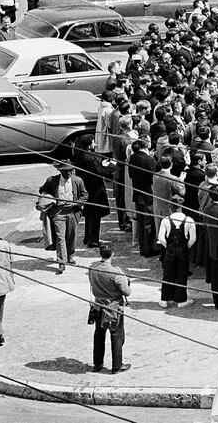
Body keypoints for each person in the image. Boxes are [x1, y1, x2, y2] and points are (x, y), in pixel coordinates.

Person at [88, 243, 130, 373]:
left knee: (99, 336)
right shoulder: (116, 273)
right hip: (113, 308)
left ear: (100, 254)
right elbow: (126, 292)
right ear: (112, 255)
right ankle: (117, 366)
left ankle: (97, 364)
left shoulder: (92, 269)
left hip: (98, 306)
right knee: (116, 335)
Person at [38, 163, 88, 273]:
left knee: (71, 235)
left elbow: (84, 196)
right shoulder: (52, 180)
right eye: (66, 171)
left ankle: (70, 255)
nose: (69, 173)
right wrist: (48, 199)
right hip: (58, 212)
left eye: (71, 170)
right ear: (60, 171)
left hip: (72, 212)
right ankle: (61, 261)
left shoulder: (78, 181)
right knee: (60, 237)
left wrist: (75, 204)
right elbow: (42, 191)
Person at [70, 134, 110, 247]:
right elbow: (100, 171)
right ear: (88, 145)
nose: (95, 144)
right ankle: (93, 240)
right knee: (95, 215)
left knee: (89, 215)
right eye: (93, 142)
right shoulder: (88, 157)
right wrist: (111, 166)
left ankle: (88, 237)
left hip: (87, 187)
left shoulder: (80, 154)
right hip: (94, 189)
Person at [157, 195, 196, 308]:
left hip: (170, 250)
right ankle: (181, 300)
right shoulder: (189, 220)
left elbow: (161, 238)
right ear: (182, 206)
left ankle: (165, 299)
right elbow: (193, 238)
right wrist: (186, 246)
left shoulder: (166, 220)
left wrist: (168, 246)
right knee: (182, 274)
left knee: (168, 273)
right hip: (183, 250)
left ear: (171, 207)